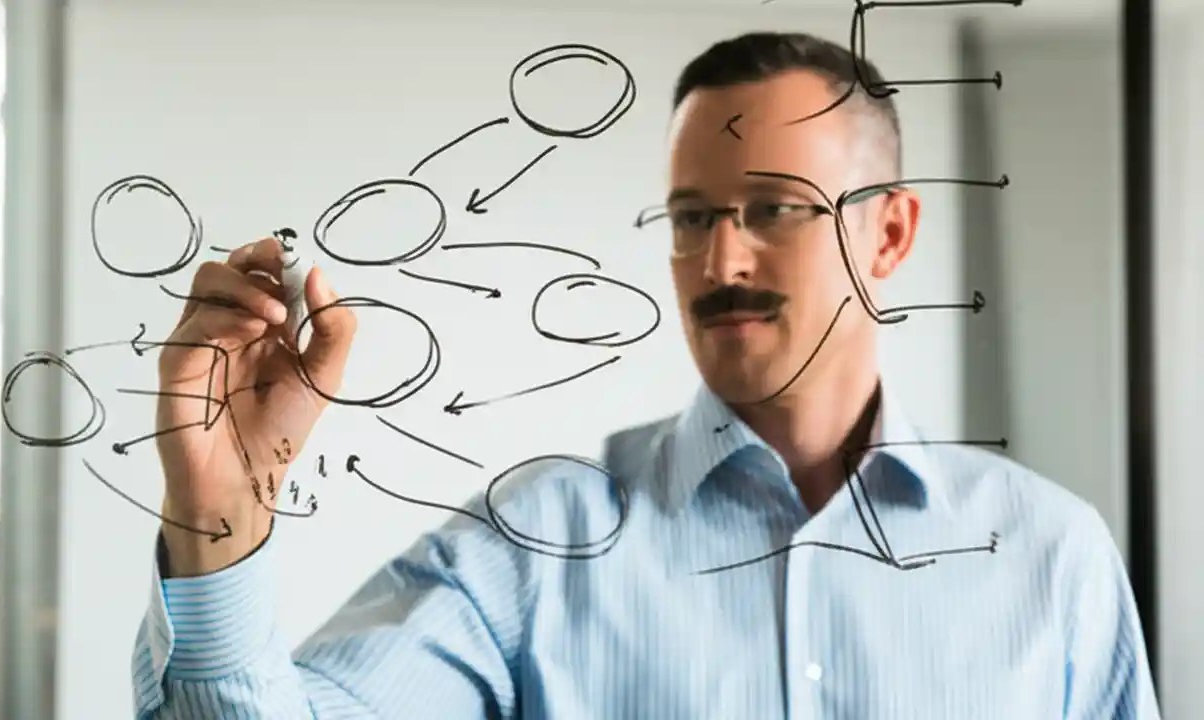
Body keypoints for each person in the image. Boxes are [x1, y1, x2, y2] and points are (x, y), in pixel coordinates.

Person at [130, 31, 1160, 718]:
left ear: (887, 233)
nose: (720, 263)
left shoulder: (1051, 559)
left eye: (771, 208)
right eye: (690, 219)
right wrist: (220, 514)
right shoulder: (532, 553)